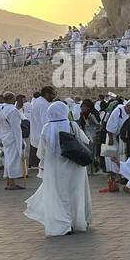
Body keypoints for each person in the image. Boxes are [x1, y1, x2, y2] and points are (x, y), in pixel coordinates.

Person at [24, 100, 92, 236]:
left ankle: (63, 224)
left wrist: (43, 164)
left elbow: (41, 151)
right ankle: (77, 220)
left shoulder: (46, 128)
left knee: (59, 195)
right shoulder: (72, 125)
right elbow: (85, 141)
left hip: (54, 167)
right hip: (74, 165)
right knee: (75, 192)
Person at [0, 92, 27, 190]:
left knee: (8, 159)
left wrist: (2, 137)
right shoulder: (13, 111)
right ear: (12, 98)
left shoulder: (1, 108)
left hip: (5, 137)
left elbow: (1, 126)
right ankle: (11, 183)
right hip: (13, 138)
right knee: (13, 160)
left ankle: (9, 182)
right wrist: (21, 143)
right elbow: (16, 129)